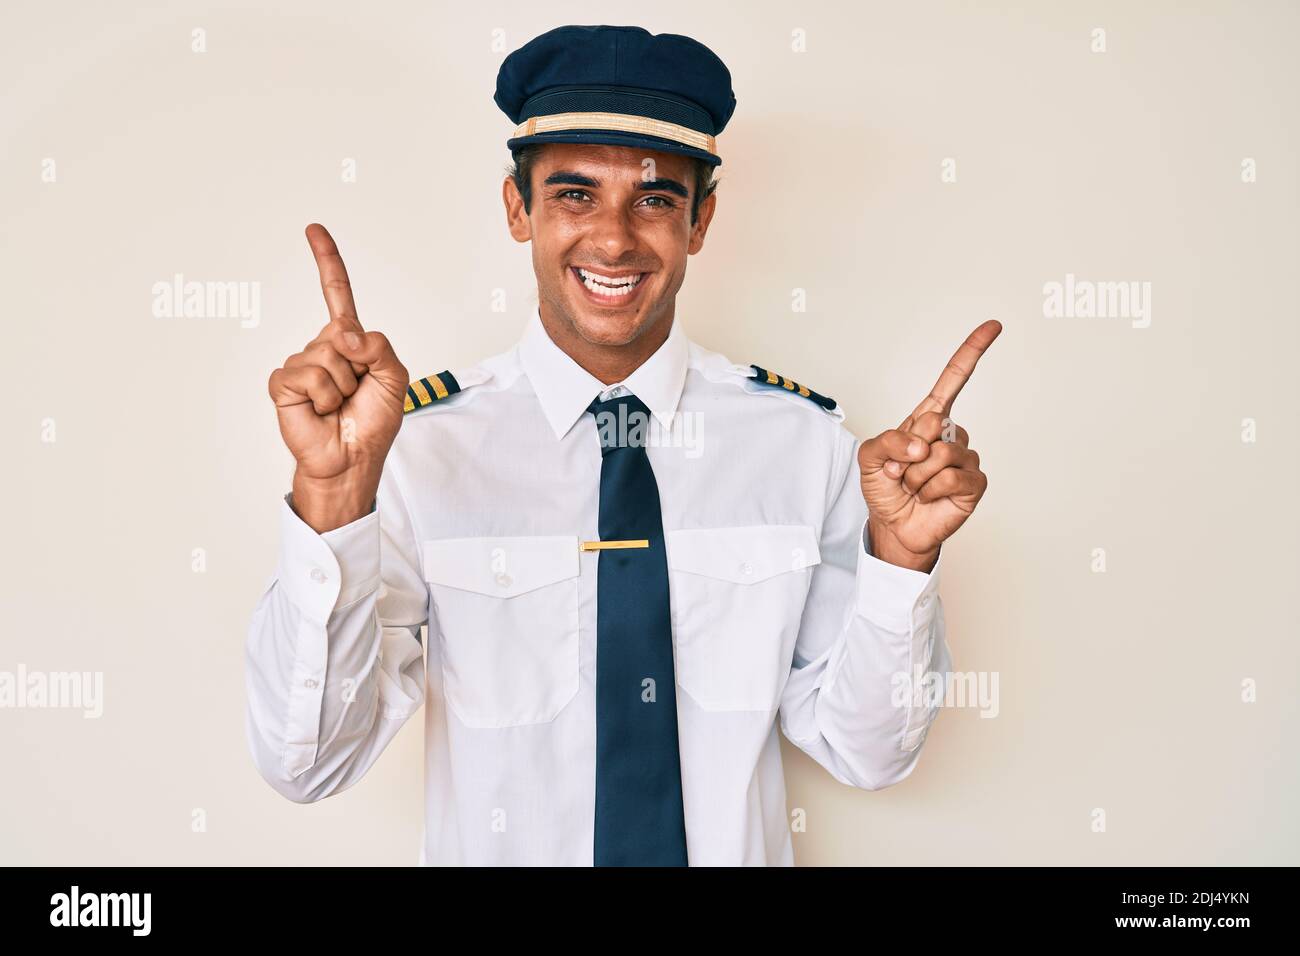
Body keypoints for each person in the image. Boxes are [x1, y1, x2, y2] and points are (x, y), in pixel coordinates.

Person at [245, 24, 1000, 866]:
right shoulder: (418, 455)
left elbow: (868, 753)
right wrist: (334, 501)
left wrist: (898, 562)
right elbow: (306, 763)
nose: (613, 240)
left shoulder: (803, 445)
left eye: (653, 200)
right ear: (517, 209)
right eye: (573, 194)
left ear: (700, 221)